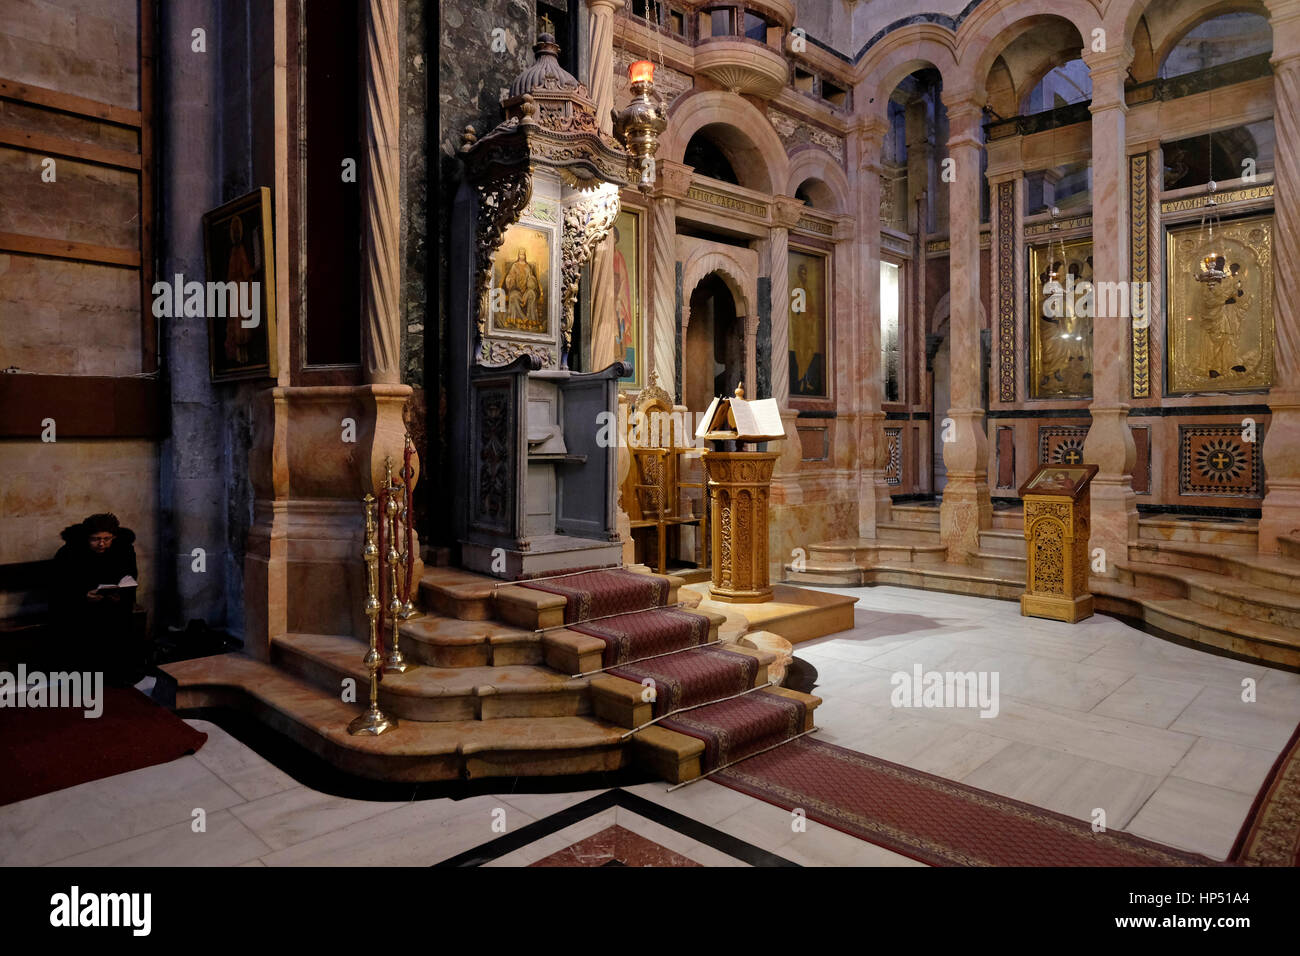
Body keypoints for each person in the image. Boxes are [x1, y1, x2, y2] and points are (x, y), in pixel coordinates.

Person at [50, 513, 142, 686]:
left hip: (112, 605)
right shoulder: (69, 552)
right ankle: (84, 679)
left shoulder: (124, 549)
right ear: (86, 537)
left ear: (114, 536)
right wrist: (82, 596)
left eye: (107, 539)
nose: (102, 544)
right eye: (96, 539)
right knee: (83, 623)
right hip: (78, 608)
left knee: (120, 619)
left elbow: (131, 577)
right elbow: (58, 587)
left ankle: (116, 675)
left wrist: (121, 595)